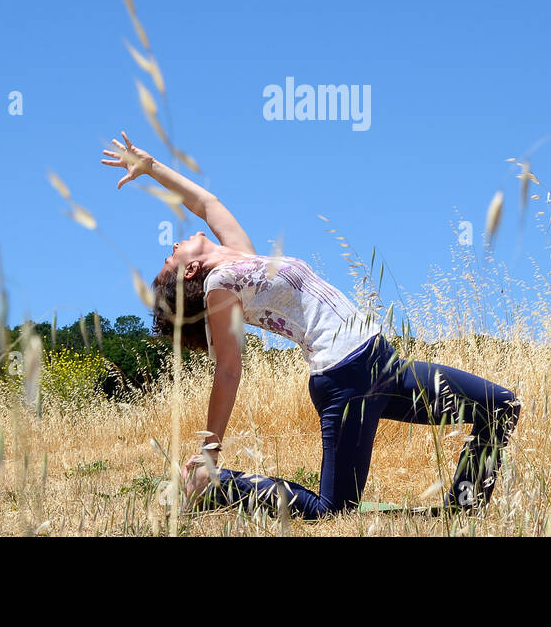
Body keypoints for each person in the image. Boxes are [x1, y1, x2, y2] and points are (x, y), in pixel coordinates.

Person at [103, 132, 522, 519]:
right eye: (169, 257)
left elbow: (208, 203)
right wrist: (209, 450)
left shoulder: (243, 260)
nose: (173, 245)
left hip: (383, 362)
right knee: (332, 510)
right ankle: (216, 485)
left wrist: (153, 168)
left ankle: (463, 509)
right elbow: (229, 369)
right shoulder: (219, 287)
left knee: (500, 405)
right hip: (346, 378)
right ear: (190, 271)